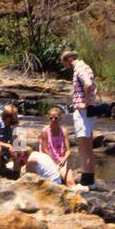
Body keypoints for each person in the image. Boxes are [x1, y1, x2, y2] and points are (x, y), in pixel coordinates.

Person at [61, 49, 97, 188]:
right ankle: (91, 181)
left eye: (64, 64)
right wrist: (91, 102)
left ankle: (86, 182)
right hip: (89, 112)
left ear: (69, 60)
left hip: (83, 112)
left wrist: (86, 103)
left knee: (83, 147)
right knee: (88, 147)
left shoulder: (79, 68)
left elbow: (88, 84)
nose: (65, 67)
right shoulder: (87, 67)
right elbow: (94, 87)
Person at [39, 106, 76, 187]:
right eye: (51, 118)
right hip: (48, 160)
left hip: (60, 161)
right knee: (55, 182)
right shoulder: (45, 131)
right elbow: (45, 149)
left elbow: (68, 150)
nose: (53, 120)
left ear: (60, 118)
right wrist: (52, 162)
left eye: (56, 118)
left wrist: (64, 159)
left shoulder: (63, 131)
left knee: (71, 182)